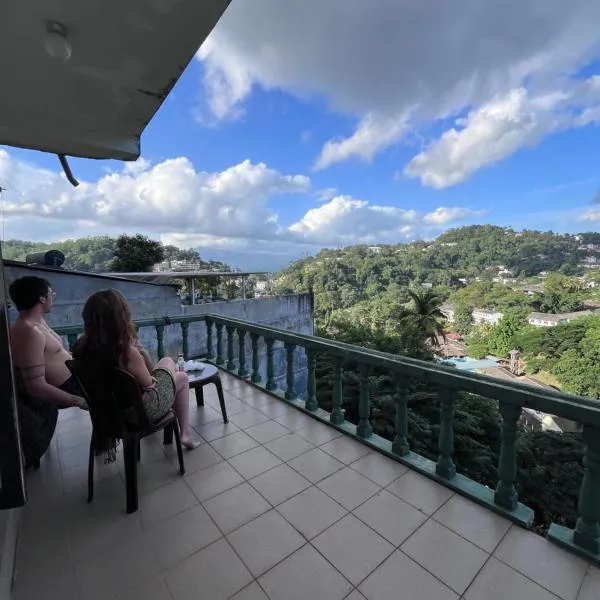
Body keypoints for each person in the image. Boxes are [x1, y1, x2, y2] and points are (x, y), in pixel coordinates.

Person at [72, 289, 200, 449]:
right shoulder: (126, 353)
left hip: (107, 414)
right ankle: (185, 434)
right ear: (120, 318)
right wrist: (141, 354)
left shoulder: (81, 351)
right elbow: (149, 384)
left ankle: (181, 431)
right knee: (181, 376)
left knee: (167, 362)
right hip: (138, 414)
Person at [9, 276, 87, 409]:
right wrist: (80, 401)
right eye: (51, 294)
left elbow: (54, 354)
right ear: (42, 298)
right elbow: (35, 386)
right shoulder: (29, 332)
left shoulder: (38, 322)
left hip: (77, 378)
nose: (53, 298)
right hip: (69, 387)